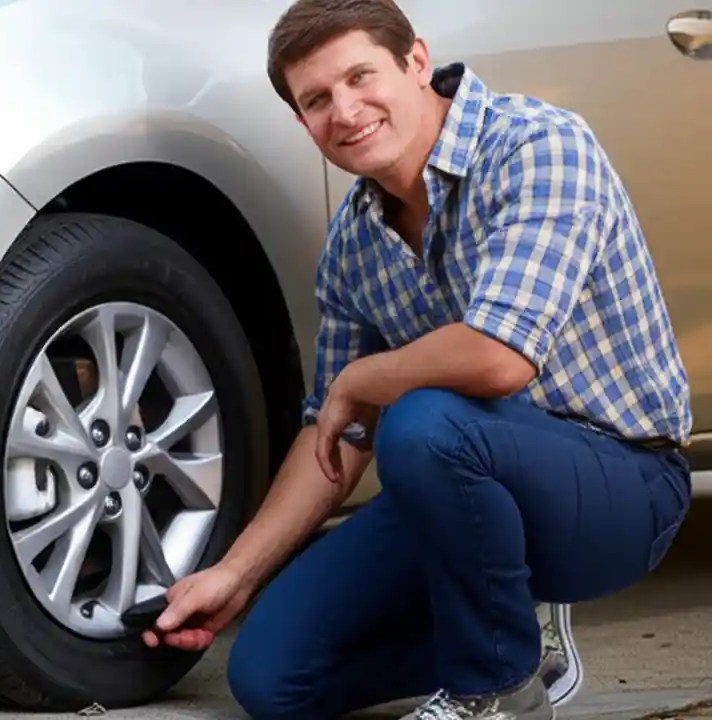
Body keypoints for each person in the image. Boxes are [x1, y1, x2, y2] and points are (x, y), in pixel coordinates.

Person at [140, 1, 694, 718]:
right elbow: (334, 434)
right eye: (317, 100)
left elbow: (500, 358)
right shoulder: (353, 246)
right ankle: (518, 651)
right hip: (466, 486)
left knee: (423, 418)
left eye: (360, 76)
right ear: (303, 122)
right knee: (273, 677)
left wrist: (363, 379)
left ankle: (493, 692)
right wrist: (235, 575)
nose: (345, 110)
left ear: (417, 62)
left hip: (622, 487)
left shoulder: (538, 147)